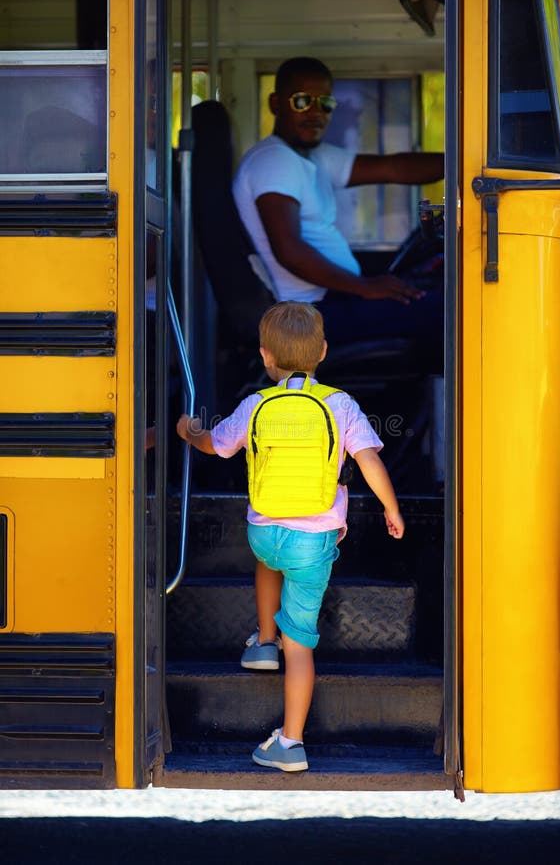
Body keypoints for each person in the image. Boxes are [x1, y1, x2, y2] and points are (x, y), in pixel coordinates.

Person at [176, 301, 405, 773]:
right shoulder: (339, 405)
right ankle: (291, 743)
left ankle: (262, 640)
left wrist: (188, 432)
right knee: (299, 646)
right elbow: (368, 461)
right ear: (322, 351)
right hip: (314, 541)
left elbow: (216, 446)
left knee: (267, 561)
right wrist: (391, 507)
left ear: (265, 357)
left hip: (264, 532)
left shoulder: (257, 404)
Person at [233, 56, 445, 373]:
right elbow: (289, 251)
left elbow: (392, 168)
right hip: (305, 316)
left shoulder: (311, 156)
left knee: (437, 300)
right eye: (302, 101)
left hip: (332, 300)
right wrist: (365, 287)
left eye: (325, 103)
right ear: (276, 103)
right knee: (449, 311)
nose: (315, 112)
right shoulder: (274, 161)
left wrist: (462, 162)